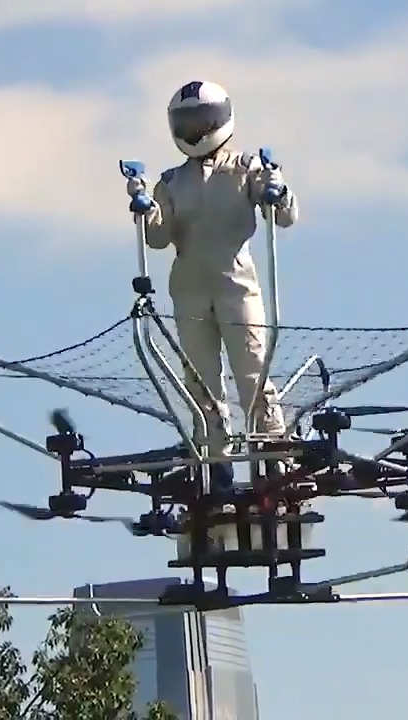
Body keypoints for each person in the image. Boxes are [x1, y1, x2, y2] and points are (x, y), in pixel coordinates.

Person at [125, 80, 298, 483]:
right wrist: (145, 207)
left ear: (221, 119)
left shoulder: (246, 168)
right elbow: (158, 237)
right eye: (186, 122)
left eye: (202, 120)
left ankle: (270, 454)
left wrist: (279, 191)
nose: (195, 131)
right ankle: (213, 460)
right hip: (188, 288)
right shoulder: (171, 182)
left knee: (253, 368)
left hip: (236, 283)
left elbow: (285, 217)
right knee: (200, 378)